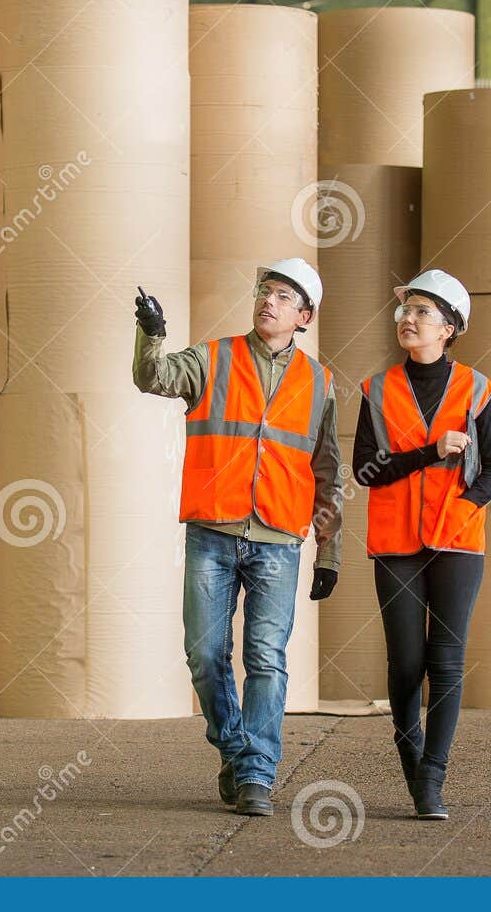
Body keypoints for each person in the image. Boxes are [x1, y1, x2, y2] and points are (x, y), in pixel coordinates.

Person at [132, 259, 342, 817]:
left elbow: (328, 470)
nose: (268, 301)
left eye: (282, 296)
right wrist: (152, 335)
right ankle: (234, 746)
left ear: (304, 316)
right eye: (264, 292)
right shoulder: (213, 358)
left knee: (267, 660)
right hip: (213, 533)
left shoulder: (319, 381)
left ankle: (256, 774)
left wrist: (330, 550)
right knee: (204, 655)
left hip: (278, 539)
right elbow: (153, 378)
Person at [351, 270, 491, 820]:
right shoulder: (375, 390)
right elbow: (366, 472)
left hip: (458, 542)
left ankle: (433, 778)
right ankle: (410, 755)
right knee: (405, 662)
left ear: (449, 329)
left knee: (446, 660)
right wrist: (428, 452)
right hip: (396, 541)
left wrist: (467, 505)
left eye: (421, 312)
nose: (408, 319)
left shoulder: (478, 389)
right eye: (406, 310)